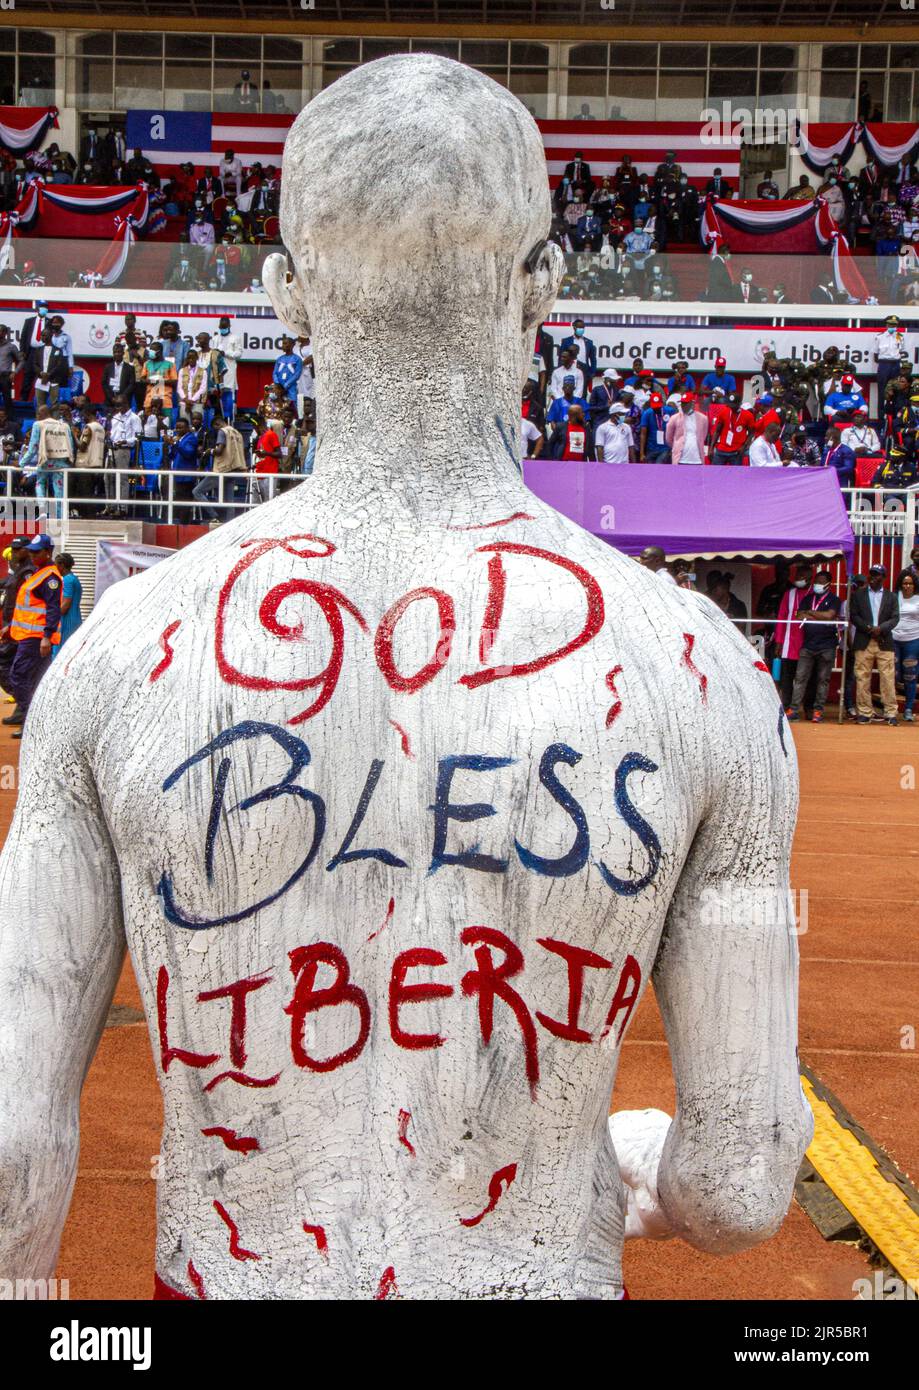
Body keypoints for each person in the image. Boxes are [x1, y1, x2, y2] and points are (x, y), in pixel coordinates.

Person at [0, 55, 810, 1303]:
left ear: (283, 294)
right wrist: (629, 1153)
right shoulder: (702, 668)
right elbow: (741, 1183)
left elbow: (10, 1153)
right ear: (544, 287)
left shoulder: (116, 655)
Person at [0, 532, 61, 738]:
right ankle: (38, 721)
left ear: (48, 552)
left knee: (19, 676)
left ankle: (30, 721)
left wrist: (47, 636)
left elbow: (53, 608)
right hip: (26, 635)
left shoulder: (50, 577)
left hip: (35, 638)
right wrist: (10, 628)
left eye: (38, 552)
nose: (34, 556)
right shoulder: (38, 573)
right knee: (36, 681)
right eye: (32, 552)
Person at [786, 570, 841, 725]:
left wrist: (810, 613)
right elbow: (798, 615)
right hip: (808, 644)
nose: (818, 584)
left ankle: (818, 710)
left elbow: (830, 615)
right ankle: (794, 709)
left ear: (829, 584)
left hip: (827, 645)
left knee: (823, 679)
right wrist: (818, 614)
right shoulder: (808, 598)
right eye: (817, 581)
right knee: (800, 677)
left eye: (822, 582)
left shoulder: (834, 599)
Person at [851, 564, 899, 725]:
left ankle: (891, 712)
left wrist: (881, 629)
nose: (872, 577)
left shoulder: (891, 597)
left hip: (884, 641)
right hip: (864, 640)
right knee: (862, 677)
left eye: (876, 575)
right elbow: (854, 616)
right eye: (871, 574)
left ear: (883, 577)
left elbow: (895, 617)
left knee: (887, 677)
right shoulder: (858, 595)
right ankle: (865, 712)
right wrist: (869, 629)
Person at [775, 562, 815, 709]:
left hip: (808, 643)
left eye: (802, 576)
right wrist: (779, 642)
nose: (799, 578)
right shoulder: (789, 594)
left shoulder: (814, 595)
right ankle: (786, 705)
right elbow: (781, 617)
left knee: (808, 678)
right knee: (787, 677)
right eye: (797, 575)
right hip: (789, 643)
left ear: (810, 578)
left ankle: (808, 708)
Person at [0, 537, 31, 711]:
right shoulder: (17, 573)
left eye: (15, 552)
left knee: (12, 667)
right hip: (13, 628)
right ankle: (22, 707)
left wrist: (11, 625)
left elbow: (25, 603)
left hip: (19, 629)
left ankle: (25, 705)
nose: (12, 557)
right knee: (16, 668)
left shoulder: (27, 572)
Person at [104, 396, 143, 518]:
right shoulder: (115, 418)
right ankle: (110, 506)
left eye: (119, 405)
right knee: (107, 478)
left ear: (126, 404)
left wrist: (125, 441)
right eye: (116, 405)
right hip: (112, 449)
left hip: (123, 449)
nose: (117, 408)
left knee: (122, 479)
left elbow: (138, 437)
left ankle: (122, 508)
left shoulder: (134, 418)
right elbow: (113, 433)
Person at [893, 571, 919, 723]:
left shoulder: (918, 599)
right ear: (900, 584)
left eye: (910, 583)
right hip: (894, 639)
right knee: (893, 674)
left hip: (913, 640)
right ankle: (891, 707)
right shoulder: (894, 597)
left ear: (914, 585)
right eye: (904, 583)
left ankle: (908, 708)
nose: (907, 586)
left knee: (910, 675)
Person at [52, 553, 83, 657]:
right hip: (75, 618)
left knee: (59, 655)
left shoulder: (67, 580)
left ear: (62, 565)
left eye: (56, 565)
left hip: (67, 622)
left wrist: (52, 616)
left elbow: (65, 605)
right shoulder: (73, 578)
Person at [665, 393, 707, 465]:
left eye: (686, 403)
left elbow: (703, 436)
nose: (683, 406)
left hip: (697, 459)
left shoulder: (703, 419)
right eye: (682, 403)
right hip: (680, 459)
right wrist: (676, 446)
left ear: (692, 403)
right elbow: (668, 438)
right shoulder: (675, 418)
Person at [102, 342, 136, 410]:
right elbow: (104, 383)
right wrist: (111, 398)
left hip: (124, 401)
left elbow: (132, 384)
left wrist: (122, 397)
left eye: (119, 352)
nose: (117, 354)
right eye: (115, 352)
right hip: (110, 400)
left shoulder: (130, 368)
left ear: (123, 353)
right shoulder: (108, 367)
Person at [639, 391, 669, 462]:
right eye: (654, 407)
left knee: (659, 467)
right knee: (650, 471)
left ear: (662, 403)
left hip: (665, 448)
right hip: (651, 448)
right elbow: (643, 434)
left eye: (658, 407)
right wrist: (641, 453)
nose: (656, 409)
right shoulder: (647, 413)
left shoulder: (670, 411)